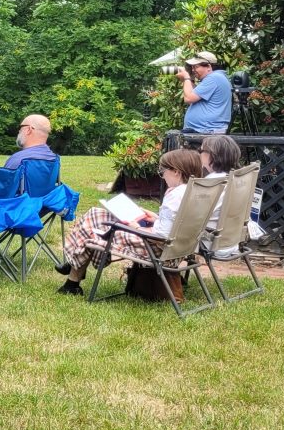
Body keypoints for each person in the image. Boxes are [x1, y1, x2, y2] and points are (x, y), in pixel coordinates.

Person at [55, 149, 206, 296]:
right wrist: (155, 218)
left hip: (156, 248)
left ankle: (72, 275)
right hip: (180, 247)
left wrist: (135, 226)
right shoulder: (196, 191)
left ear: (176, 172)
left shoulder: (174, 196)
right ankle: (73, 271)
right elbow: (178, 223)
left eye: (163, 171)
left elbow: (161, 235)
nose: (162, 176)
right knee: (96, 214)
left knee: (96, 231)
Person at [179, 51, 232, 134]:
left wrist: (186, 78)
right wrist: (188, 80)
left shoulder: (214, 78)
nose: (193, 70)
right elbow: (194, 95)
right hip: (205, 130)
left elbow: (189, 98)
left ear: (209, 67)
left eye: (196, 67)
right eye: (192, 68)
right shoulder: (216, 77)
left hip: (208, 132)